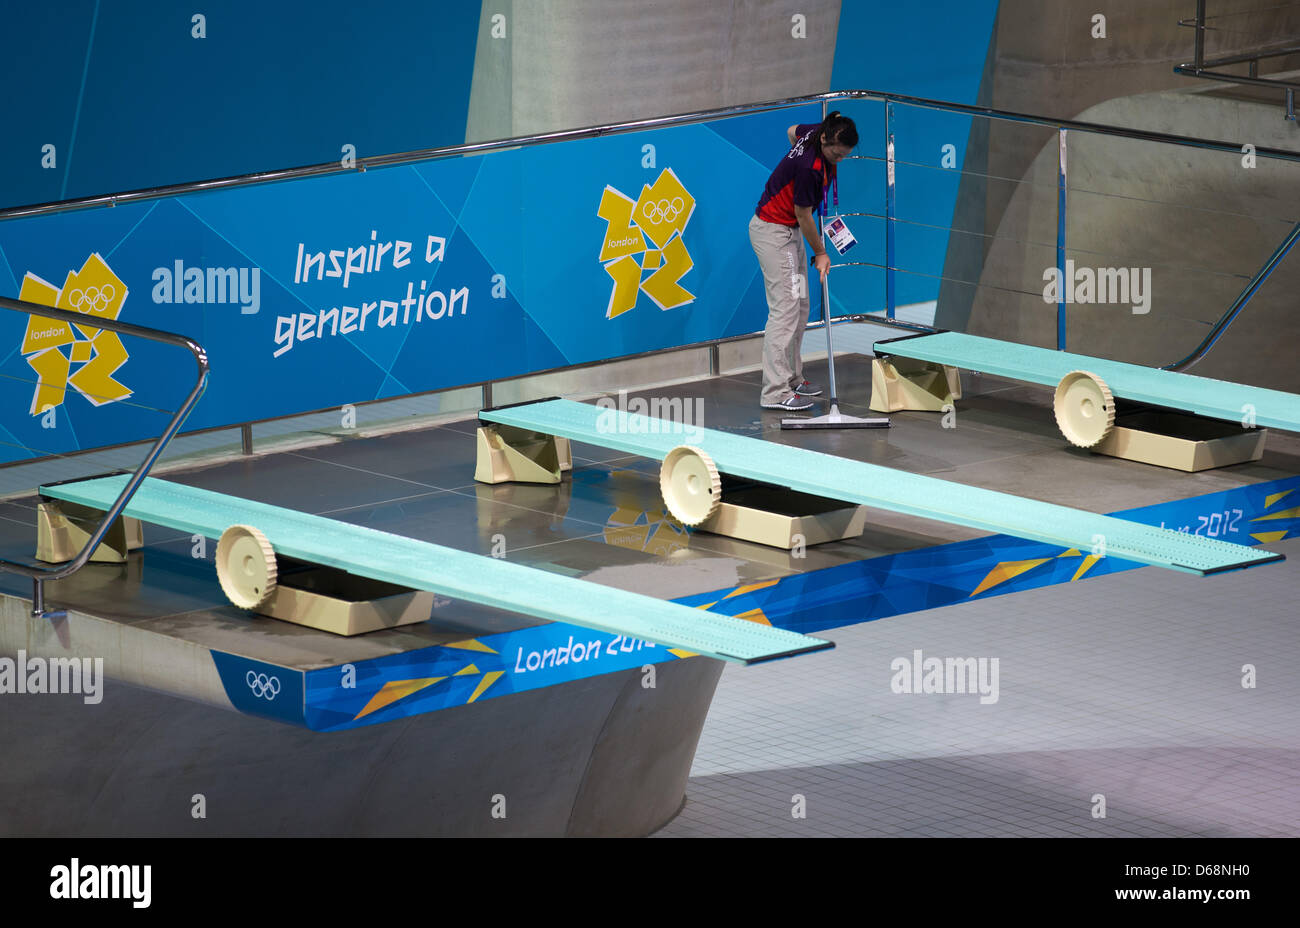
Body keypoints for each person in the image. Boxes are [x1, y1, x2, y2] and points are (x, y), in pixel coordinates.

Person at [749, 111, 858, 411]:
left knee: (799, 305)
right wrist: (821, 253)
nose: (838, 159)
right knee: (784, 310)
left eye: (844, 156)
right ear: (826, 139)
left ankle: (792, 378)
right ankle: (774, 392)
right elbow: (803, 213)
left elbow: (790, 130)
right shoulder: (810, 168)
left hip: (789, 232)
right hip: (775, 233)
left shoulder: (815, 131)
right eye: (836, 153)